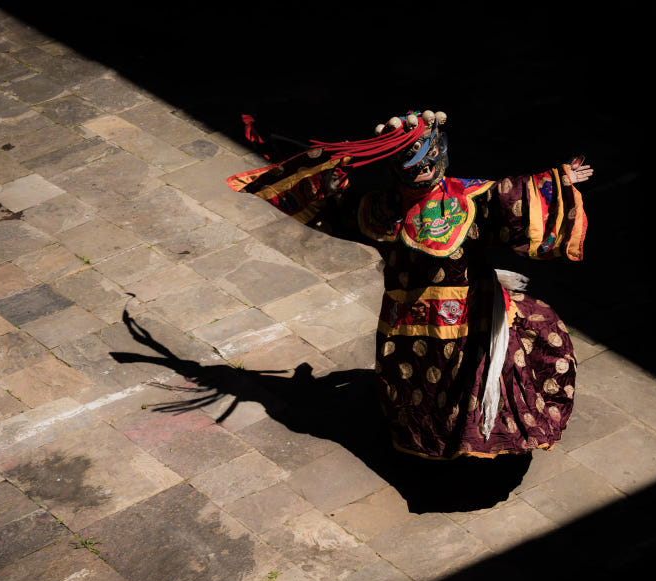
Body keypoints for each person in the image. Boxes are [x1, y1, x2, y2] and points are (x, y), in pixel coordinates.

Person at [227, 110, 593, 460]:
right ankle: (429, 444)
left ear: (440, 160)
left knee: (481, 370)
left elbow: (507, 197)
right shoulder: (382, 207)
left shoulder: (465, 198)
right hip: (406, 317)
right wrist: (333, 187)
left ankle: (475, 438)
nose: (420, 175)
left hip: (468, 311)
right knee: (418, 384)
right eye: (412, 168)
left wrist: (555, 182)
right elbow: (343, 214)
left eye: (426, 167)